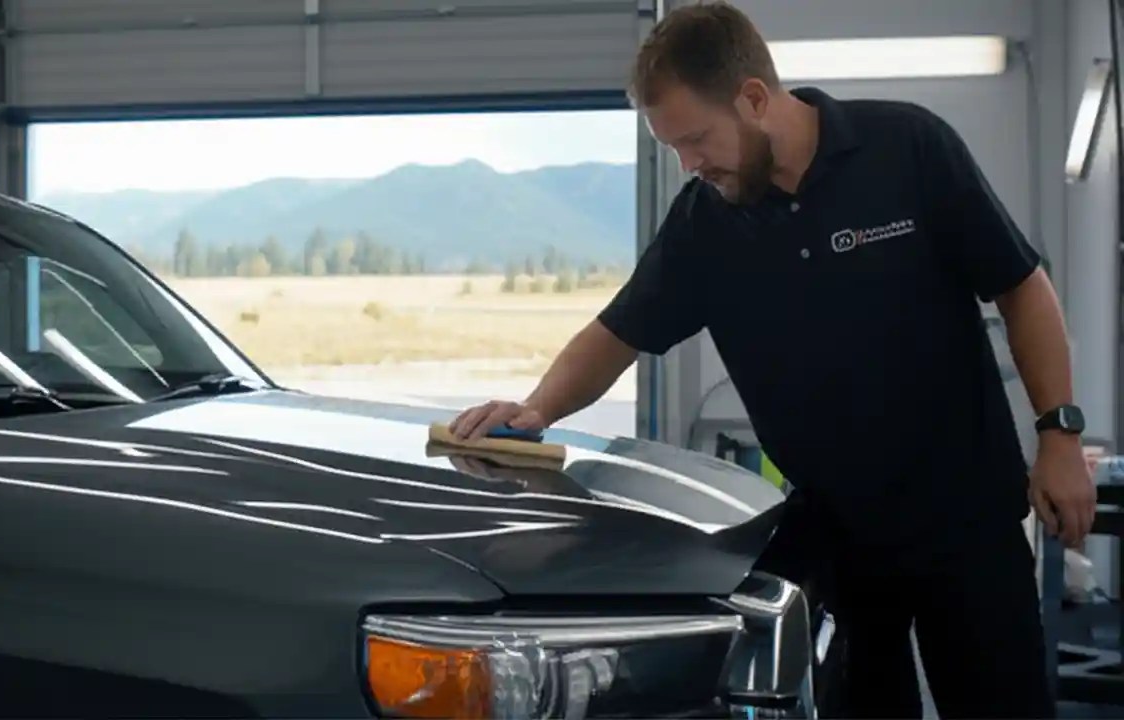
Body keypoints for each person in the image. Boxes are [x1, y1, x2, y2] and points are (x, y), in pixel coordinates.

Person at [448, 2, 1097, 717]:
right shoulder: (704, 223)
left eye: (696, 139)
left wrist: (1059, 435)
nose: (689, 164)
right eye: (674, 147)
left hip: (966, 519)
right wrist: (538, 408)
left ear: (754, 98)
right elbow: (616, 333)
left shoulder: (907, 147)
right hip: (841, 542)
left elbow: (1021, 287)